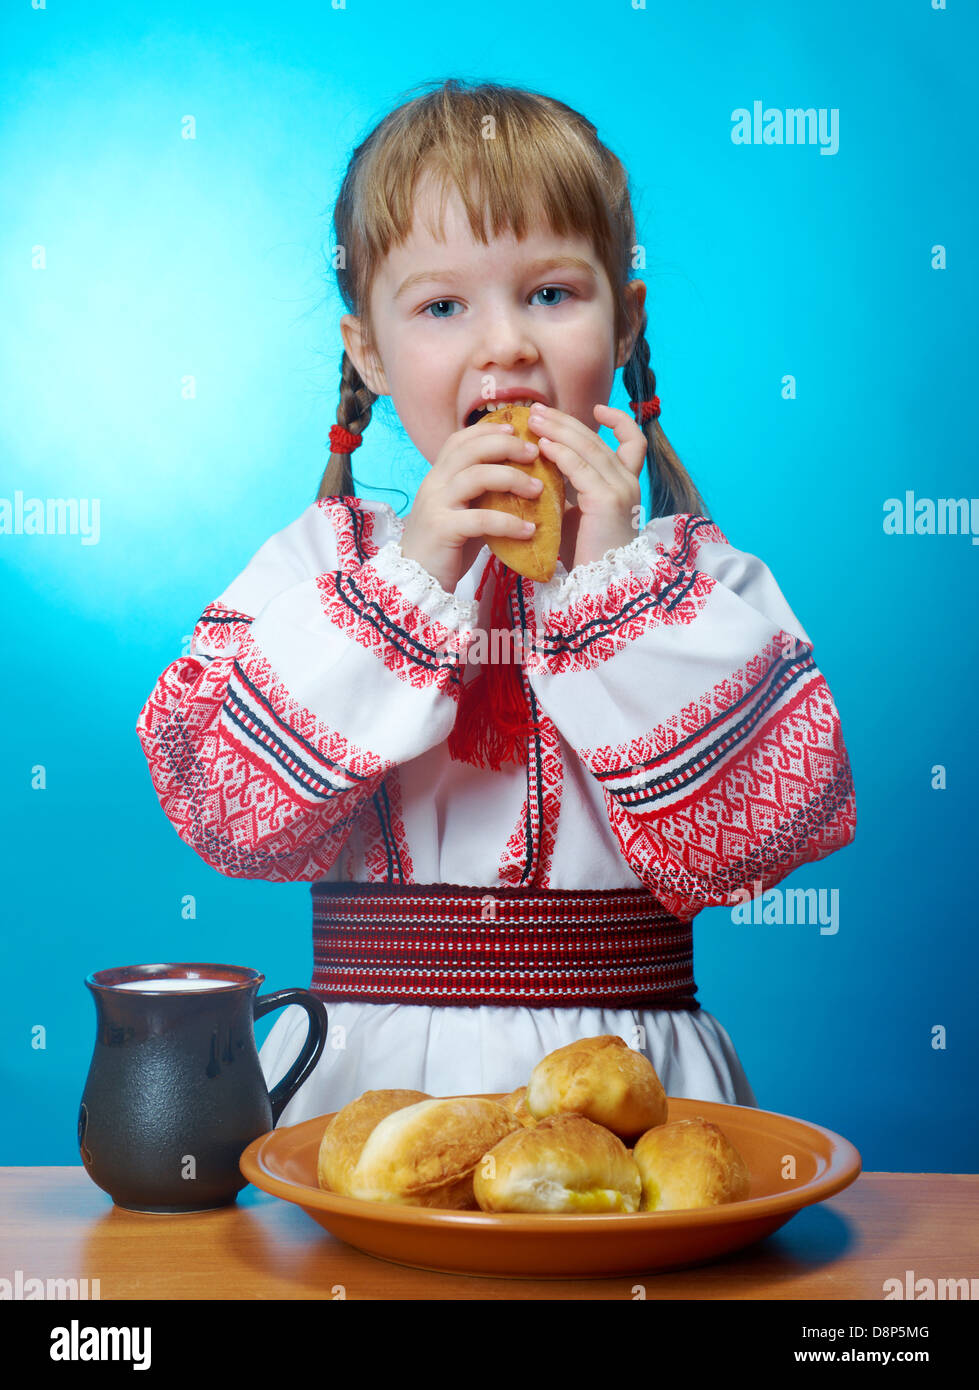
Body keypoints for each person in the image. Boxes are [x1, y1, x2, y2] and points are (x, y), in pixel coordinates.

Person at [135, 79, 856, 1122]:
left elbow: (753, 844)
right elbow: (228, 814)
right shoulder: (317, 569)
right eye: (441, 306)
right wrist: (413, 578)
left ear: (623, 325)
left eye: (551, 294)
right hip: (363, 1087)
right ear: (370, 356)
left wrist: (610, 591)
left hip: (631, 1080)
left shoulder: (702, 581)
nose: (508, 344)